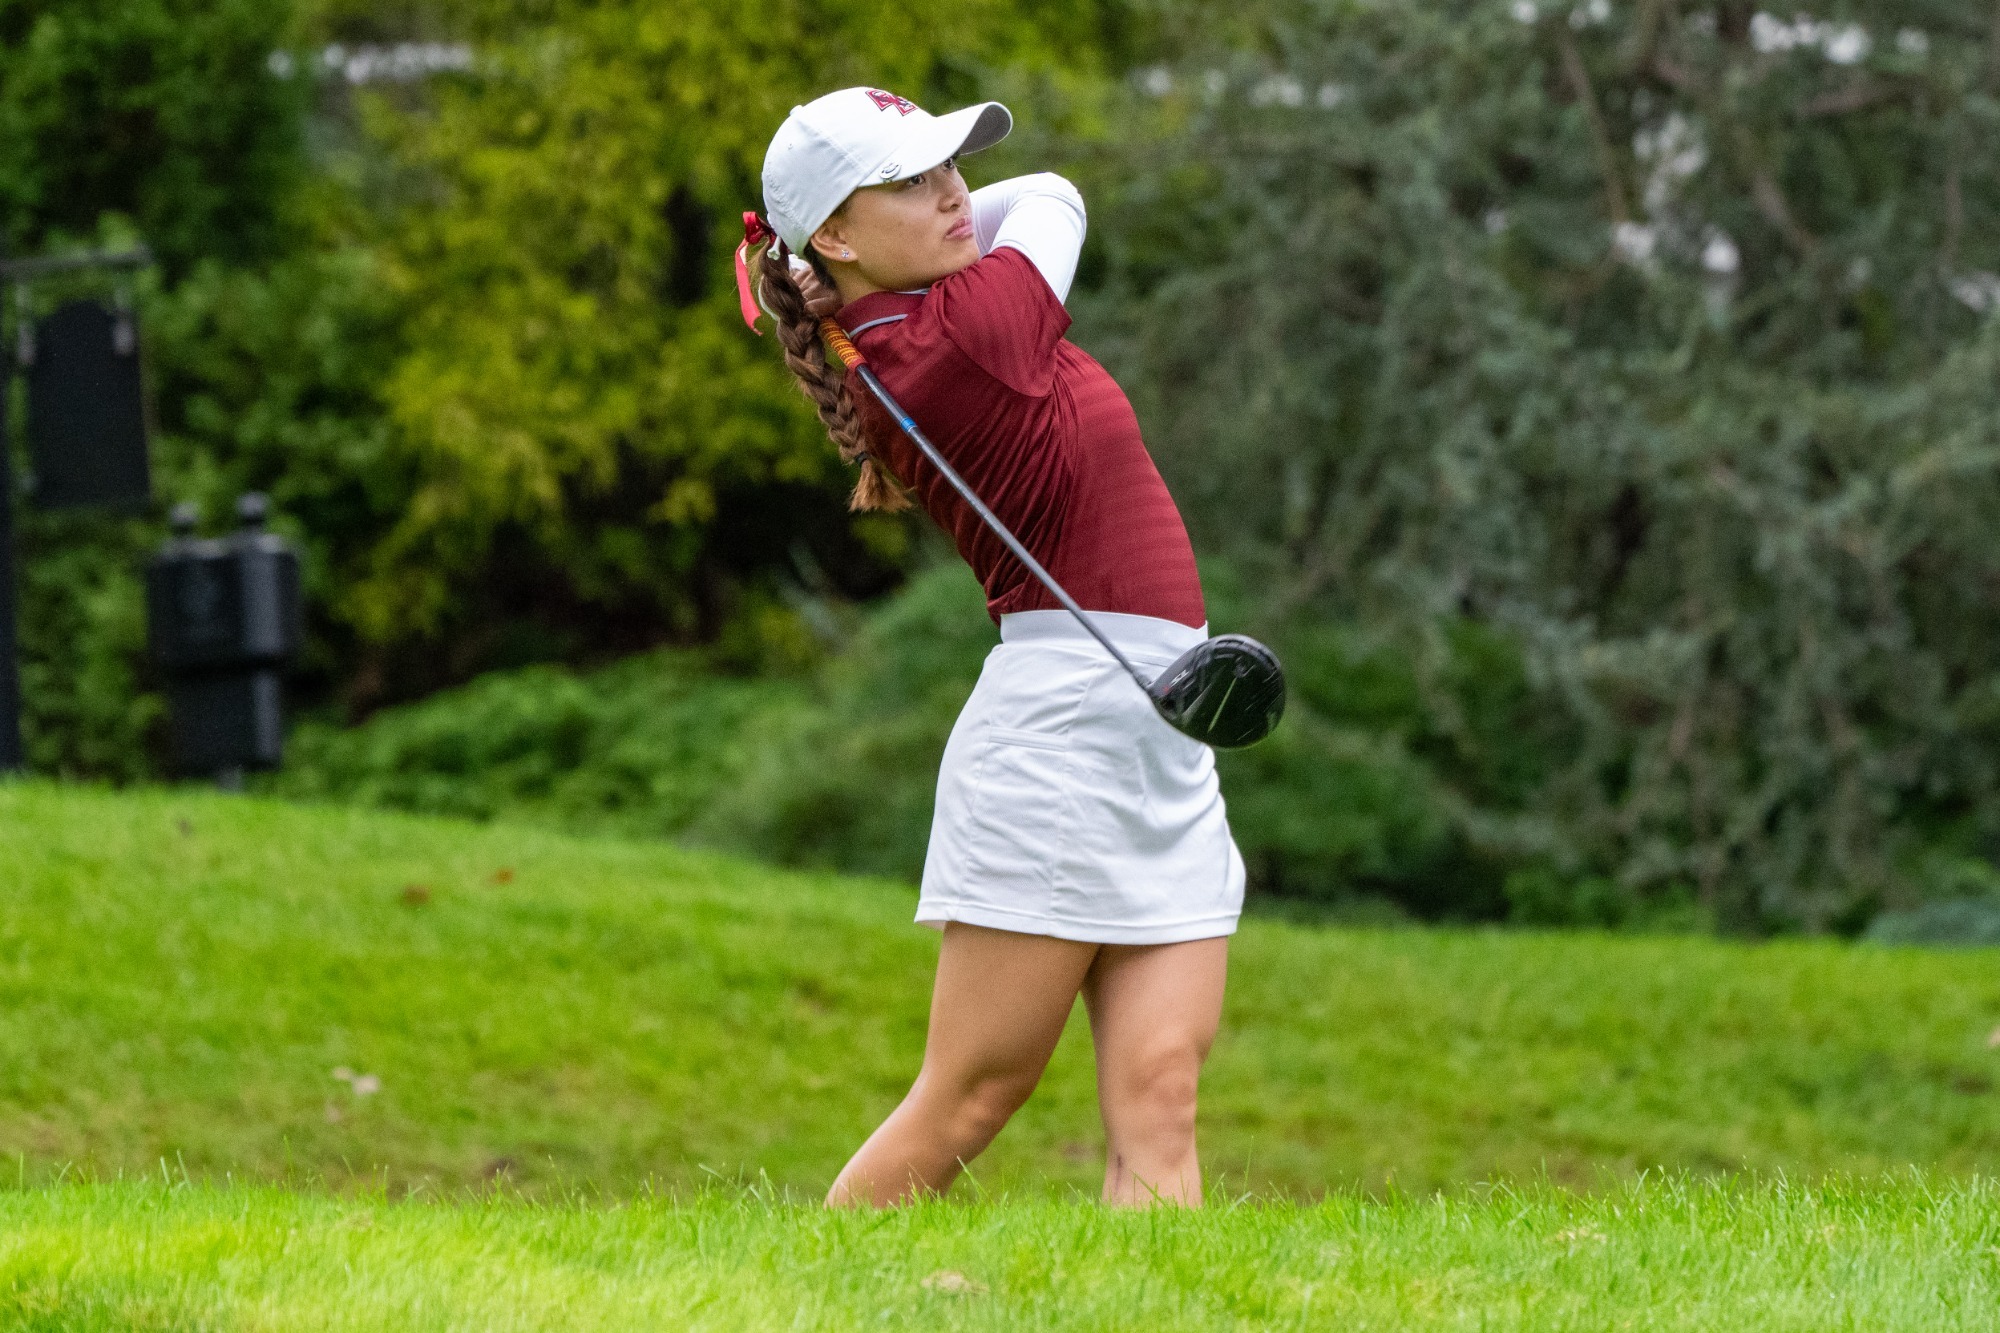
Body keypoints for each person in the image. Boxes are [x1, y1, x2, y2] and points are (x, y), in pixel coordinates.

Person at [739, 86, 1246, 1208]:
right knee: (970, 1097)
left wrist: (826, 267)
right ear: (831, 231)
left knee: (1161, 1091)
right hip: (1061, 735)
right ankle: (794, 1295)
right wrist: (821, 266)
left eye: (951, 169)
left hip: (1155, 722)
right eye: (912, 181)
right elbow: (1054, 197)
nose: (954, 194)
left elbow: (999, 212)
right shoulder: (960, 337)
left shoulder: (928, 317)